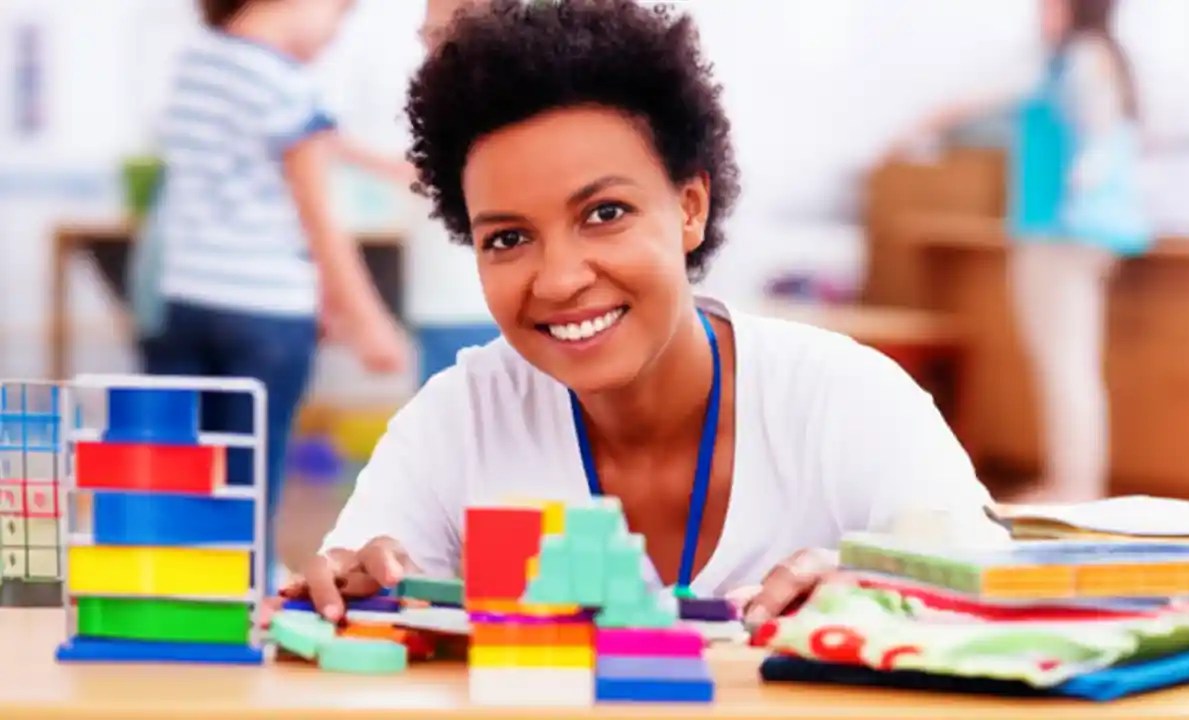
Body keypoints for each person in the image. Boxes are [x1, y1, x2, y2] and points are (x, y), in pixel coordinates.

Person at [283, 0, 1006, 629]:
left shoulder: (848, 402)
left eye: (604, 213)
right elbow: (357, 587)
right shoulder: (459, 420)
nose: (561, 280)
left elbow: (1010, 602)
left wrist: (894, 592)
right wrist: (345, 599)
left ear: (690, 208)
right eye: (507, 238)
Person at [136, 0, 413, 590]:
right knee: (249, 472)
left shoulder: (198, 64)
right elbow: (320, 218)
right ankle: (244, 588)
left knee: (182, 465)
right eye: (338, 16)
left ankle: (176, 588)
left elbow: (299, 142)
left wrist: (377, 162)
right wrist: (368, 321)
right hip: (264, 311)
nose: (333, 37)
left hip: (183, 300)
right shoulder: (288, 85)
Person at [897, 0, 1150, 503]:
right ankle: (1071, 481)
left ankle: (1072, 486)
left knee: (1065, 362)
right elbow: (995, 113)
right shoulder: (1068, 63)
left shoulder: (1081, 59)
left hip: (1064, 234)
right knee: (1066, 360)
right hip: (1065, 233)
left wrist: (1087, 176)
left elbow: (1099, 134)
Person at [407, 0, 500, 385]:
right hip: (447, 309)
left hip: (471, 310)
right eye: (426, 34)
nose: (427, 45)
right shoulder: (443, 102)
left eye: (437, 34)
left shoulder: (489, 103)